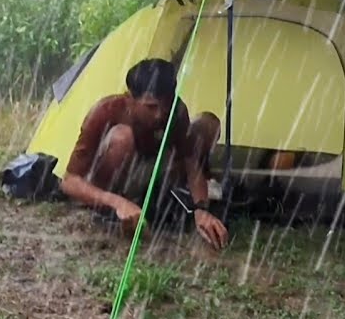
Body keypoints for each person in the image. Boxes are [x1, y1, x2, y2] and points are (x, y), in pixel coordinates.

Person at [59, 58, 229, 250]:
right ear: (130, 99)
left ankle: (162, 199)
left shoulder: (176, 111)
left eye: (165, 106)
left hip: (153, 172)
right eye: (151, 107)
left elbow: (191, 163)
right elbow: (69, 181)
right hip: (113, 181)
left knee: (207, 124)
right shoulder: (105, 111)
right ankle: (113, 210)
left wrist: (201, 209)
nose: (160, 114)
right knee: (122, 137)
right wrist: (117, 202)